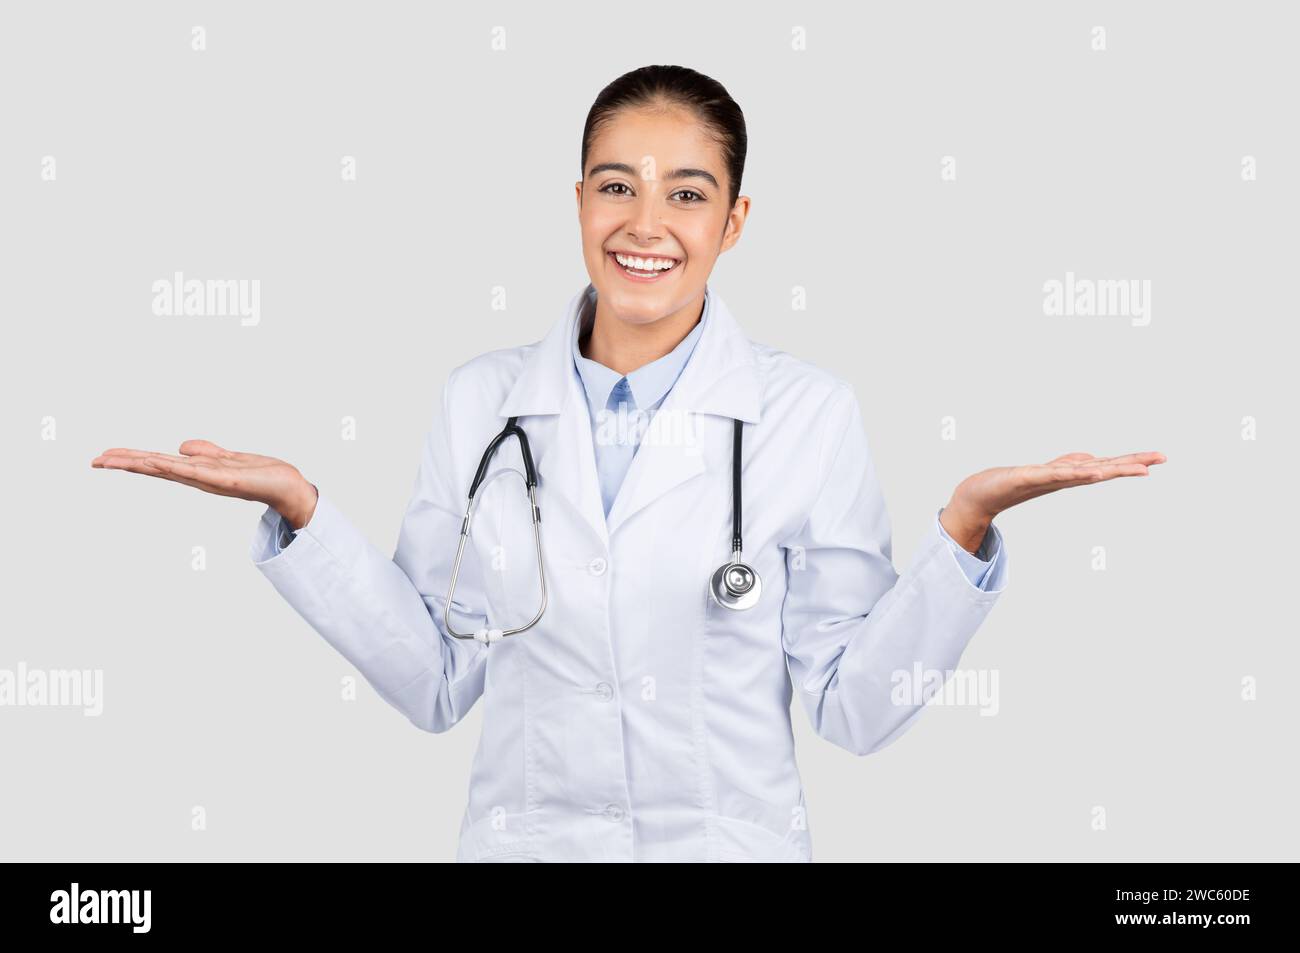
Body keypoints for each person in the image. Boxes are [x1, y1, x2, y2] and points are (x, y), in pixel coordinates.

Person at [91, 65, 1165, 862]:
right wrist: (305, 513)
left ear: (735, 221)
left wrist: (961, 536)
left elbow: (854, 707)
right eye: (616, 186)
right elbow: (435, 678)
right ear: (576, 203)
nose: (646, 223)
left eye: (688, 193)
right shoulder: (480, 402)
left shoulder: (806, 413)